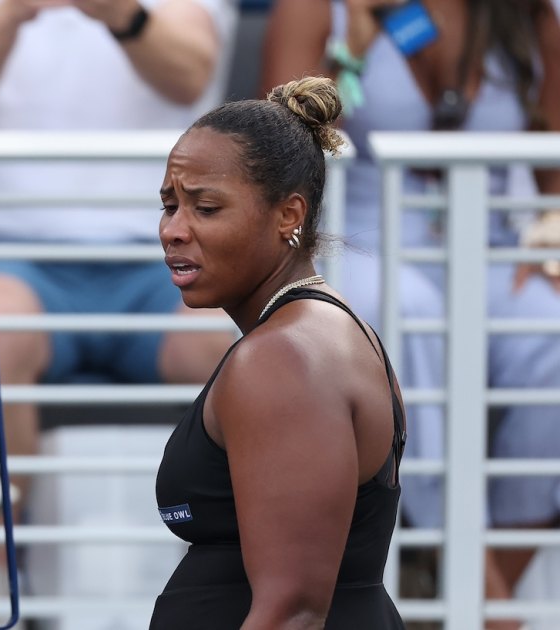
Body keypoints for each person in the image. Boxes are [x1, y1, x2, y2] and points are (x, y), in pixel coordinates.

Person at [0, 0, 238, 588]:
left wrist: (120, 12)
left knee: (239, 355)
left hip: (162, 248)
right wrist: (13, 12)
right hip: (4, 244)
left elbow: (192, 73)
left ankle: (239, 577)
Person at [260, 0, 560, 621]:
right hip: (362, 236)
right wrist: (354, 57)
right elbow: (278, 145)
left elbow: (554, 156)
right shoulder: (323, 9)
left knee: (552, 334)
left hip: (494, 244)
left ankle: (467, 587)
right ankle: (487, 605)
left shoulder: (528, 14)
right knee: (409, 318)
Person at [152, 76, 406, 628]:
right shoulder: (306, 334)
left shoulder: (285, 358)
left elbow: (290, 613)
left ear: (289, 215)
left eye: (207, 207)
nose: (173, 229)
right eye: (170, 205)